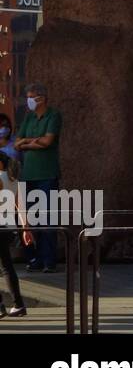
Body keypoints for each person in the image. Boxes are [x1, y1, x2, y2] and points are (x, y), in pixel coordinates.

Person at [12, 82, 61, 272]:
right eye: (28, 97)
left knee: (47, 217)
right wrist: (31, 142)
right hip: (28, 174)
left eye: (32, 97)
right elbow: (17, 143)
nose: (29, 101)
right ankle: (34, 258)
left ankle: (48, 260)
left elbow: (48, 141)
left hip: (47, 174)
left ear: (42, 98)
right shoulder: (29, 118)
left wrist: (26, 143)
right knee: (29, 217)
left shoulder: (53, 115)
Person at [0, 152, 30, 317]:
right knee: (6, 266)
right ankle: (18, 304)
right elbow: (20, 206)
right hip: (9, 228)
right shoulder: (13, 180)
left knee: (6, 266)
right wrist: (25, 229)